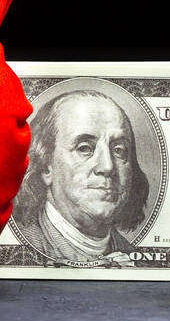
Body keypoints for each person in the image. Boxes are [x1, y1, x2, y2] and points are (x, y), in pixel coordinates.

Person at [14, 90, 150, 265]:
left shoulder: (141, 264)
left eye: (119, 150)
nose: (107, 166)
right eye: (84, 148)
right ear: (46, 166)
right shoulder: (24, 253)